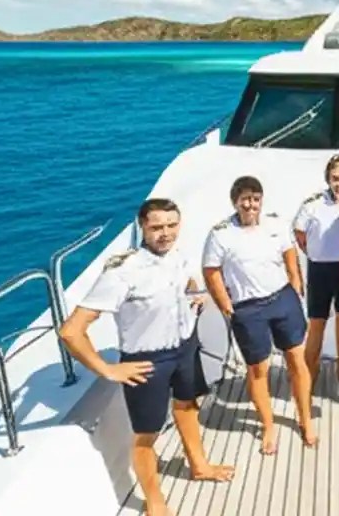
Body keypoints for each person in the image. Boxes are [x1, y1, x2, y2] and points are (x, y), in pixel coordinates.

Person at [60, 198, 234, 516]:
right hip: (147, 362)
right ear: (142, 227)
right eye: (157, 227)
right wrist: (107, 370)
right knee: (146, 436)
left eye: (171, 225)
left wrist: (195, 295)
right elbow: (71, 331)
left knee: (187, 406)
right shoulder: (123, 272)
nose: (165, 233)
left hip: (185, 347)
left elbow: (186, 281)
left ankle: (199, 466)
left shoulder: (178, 256)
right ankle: (155, 503)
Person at [202, 176, 315, 454]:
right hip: (248, 308)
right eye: (245, 199)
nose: (250, 205)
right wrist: (225, 303)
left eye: (255, 199)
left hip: (282, 299)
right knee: (257, 369)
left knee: (296, 360)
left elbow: (289, 253)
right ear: (235, 202)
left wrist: (295, 282)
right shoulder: (220, 234)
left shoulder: (275, 224)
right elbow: (211, 270)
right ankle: (268, 426)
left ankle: (305, 419)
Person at [293, 155, 339, 393]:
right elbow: (300, 233)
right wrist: (314, 252)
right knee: (317, 321)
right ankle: (309, 371)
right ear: (328, 178)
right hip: (320, 269)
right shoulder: (312, 204)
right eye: (336, 178)